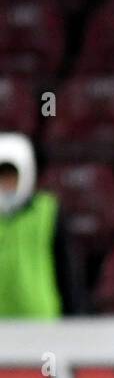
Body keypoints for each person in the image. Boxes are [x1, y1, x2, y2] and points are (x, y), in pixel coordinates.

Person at [0, 132, 80, 318]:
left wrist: (74, 314)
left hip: (40, 319)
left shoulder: (48, 211)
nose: (6, 184)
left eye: (12, 176)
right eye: (1, 176)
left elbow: (66, 269)